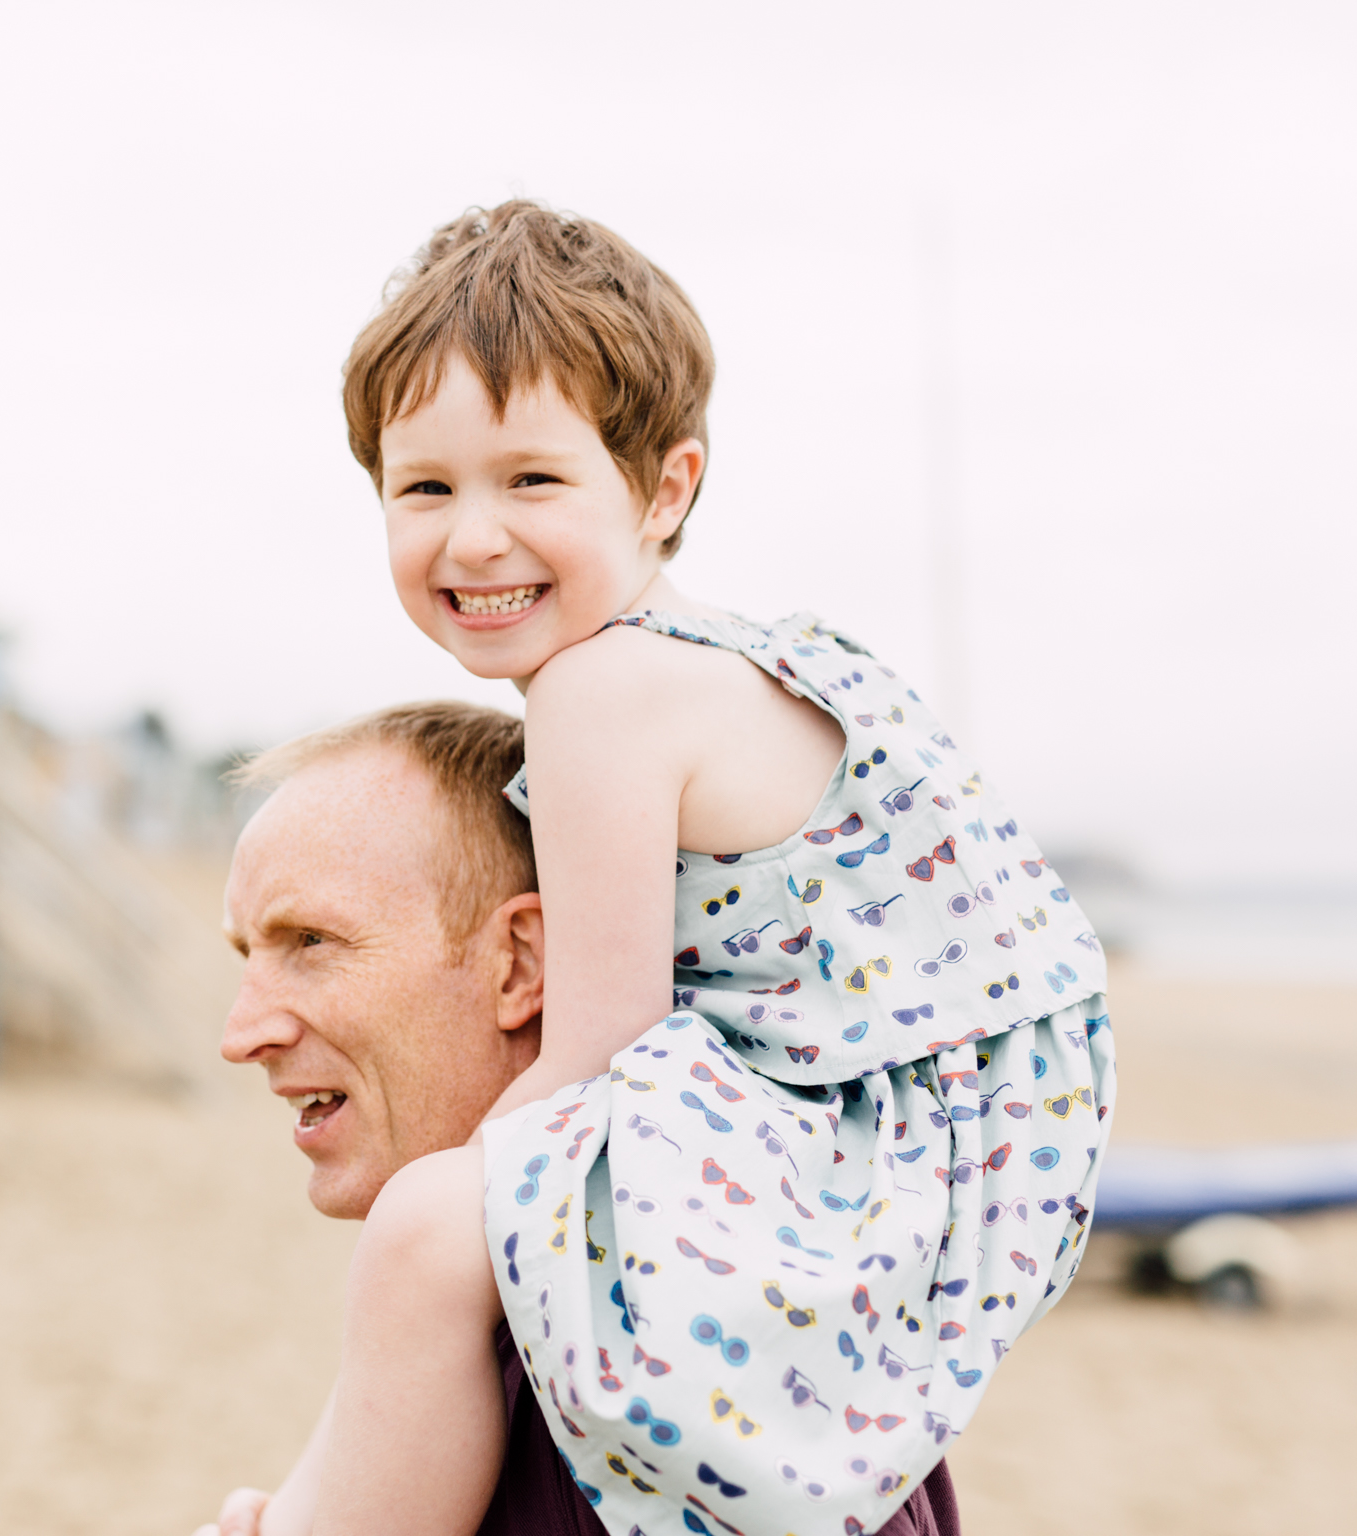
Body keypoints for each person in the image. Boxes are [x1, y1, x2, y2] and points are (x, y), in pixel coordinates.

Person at [271, 200, 1117, 1536]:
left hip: (858, 1131)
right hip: (950, 1115)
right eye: (425, 488)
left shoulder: (602, 691)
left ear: (665, 489)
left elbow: (599, 1049)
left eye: (531, 480)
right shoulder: (723, 647)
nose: (474, 537)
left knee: (431, 1234)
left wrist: (479, 1202)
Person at [200, 702, 957, 1536]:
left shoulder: (668, 1366)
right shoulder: (517, 1311)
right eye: (248, 954)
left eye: (310, 941)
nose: (242, 1036)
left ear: (519, 962)